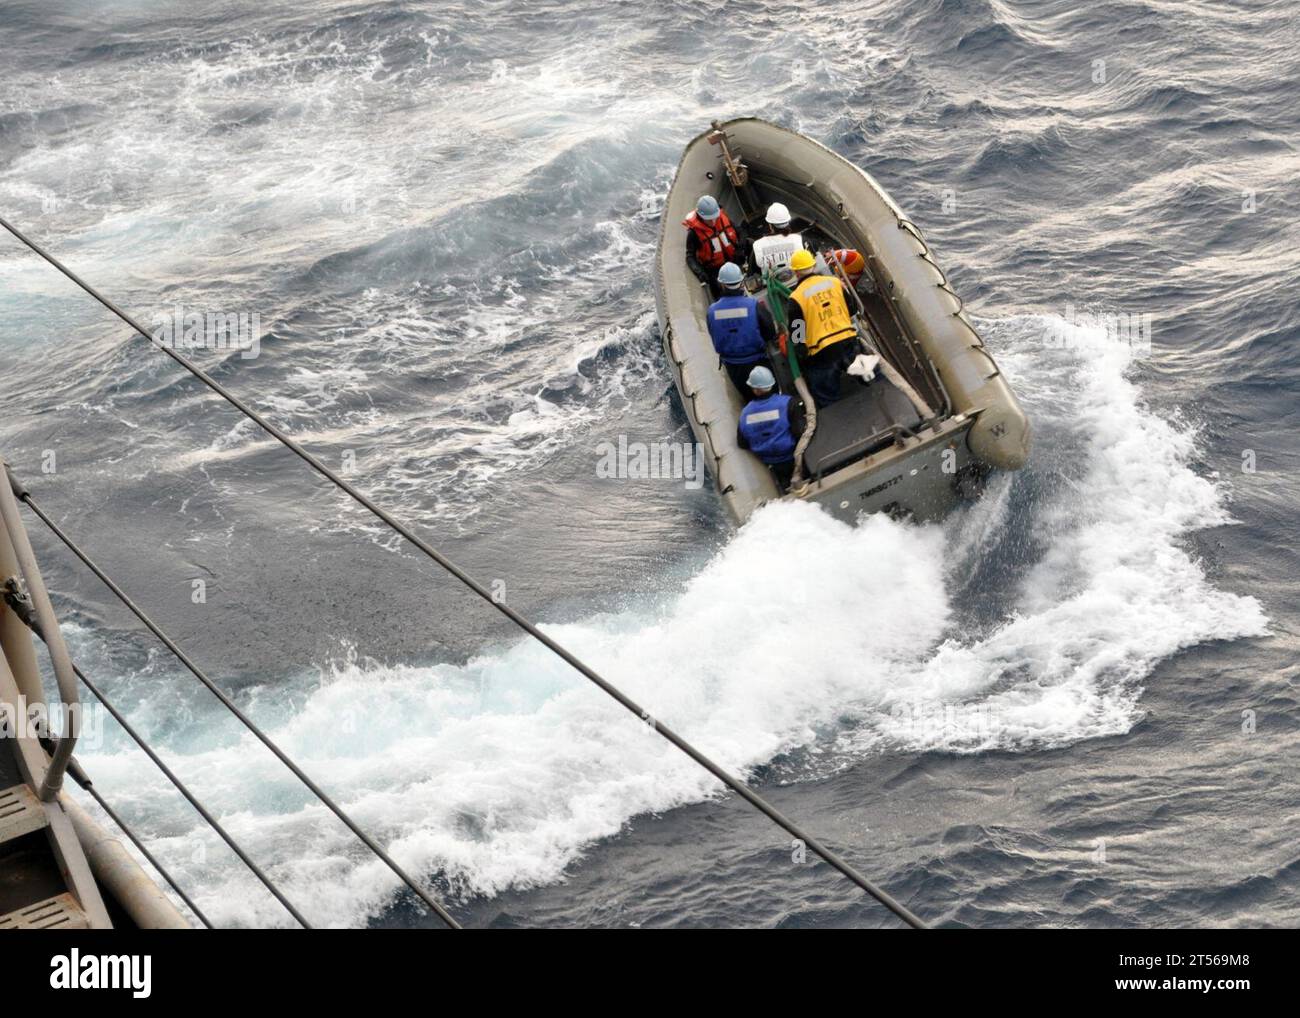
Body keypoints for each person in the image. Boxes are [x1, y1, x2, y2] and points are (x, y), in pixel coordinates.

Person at [785, 248, 858, 407]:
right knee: (870, 375)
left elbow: (798, 337)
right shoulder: (835, 282)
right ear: (813, 266)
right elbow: (852, 309)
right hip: (848, 342)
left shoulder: (796, 298)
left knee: (827, 396)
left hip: (822, 353)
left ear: (796, 273)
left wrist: (801, 355)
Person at [707, 261, 776, 395]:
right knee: (769, 394)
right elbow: (770, 331)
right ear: (742, 281)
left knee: (748, 396)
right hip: (758, 360)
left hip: (733, 367)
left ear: (721, 284)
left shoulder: (711, 311)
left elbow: (714, 333)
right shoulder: (753, 305)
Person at [736, 364, 806, 491]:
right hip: (793, 457)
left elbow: (742, 443)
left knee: (785, 487)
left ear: (753, 388)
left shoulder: (745, 414)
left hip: (770, 464)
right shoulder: (788, 403)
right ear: (772, 384)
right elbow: (800, 432)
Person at [683, 195, 743, 291]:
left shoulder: (722, 218)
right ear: (700, 217)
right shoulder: (693, 233)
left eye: (714, 217)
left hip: (733, 257)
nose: (713, 221)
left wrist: (740, 248)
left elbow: (740, 231)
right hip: (716, 268)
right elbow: (690, 256)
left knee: (750, 243)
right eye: (709, 219)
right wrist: (700, 272)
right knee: (716, 286)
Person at [750, 202, 808, 275]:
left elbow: (753, 273)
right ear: (788, 222)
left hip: (772, 285)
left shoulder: (758, 246)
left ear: (770, 225)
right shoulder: (798, 240)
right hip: (799, 282)